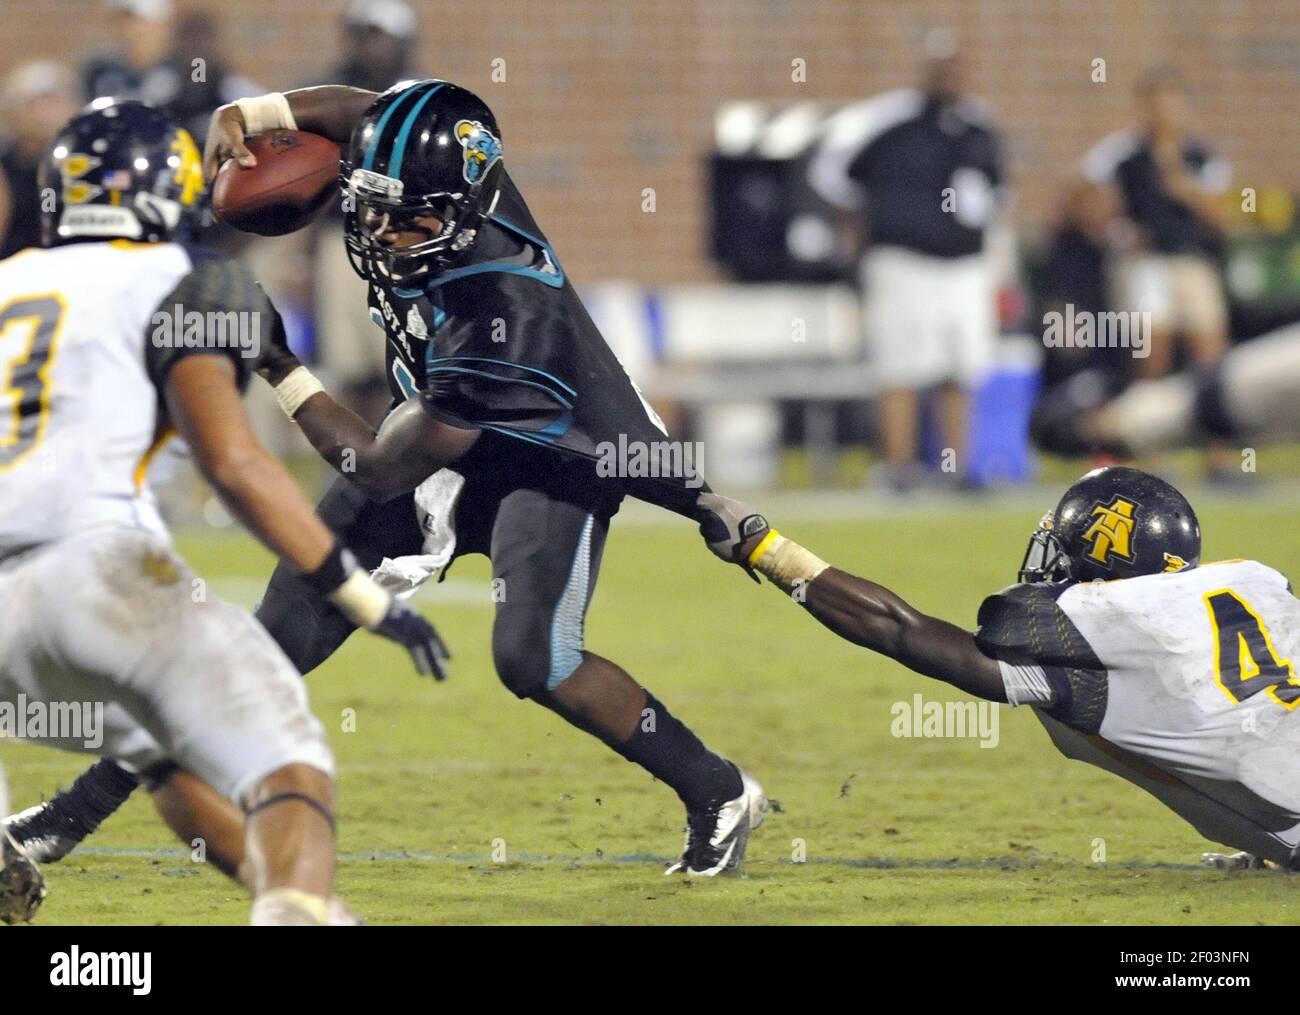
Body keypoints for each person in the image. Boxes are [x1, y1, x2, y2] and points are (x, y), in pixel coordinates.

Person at [6, 80, 769, 878]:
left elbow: (375, 461)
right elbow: (352, 109)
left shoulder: (502, 303)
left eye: (413, 219)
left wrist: (277, 362)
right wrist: (253, 116)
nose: (384, 230)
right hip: (431, 433)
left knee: (534, 656)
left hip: (542, 453)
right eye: (372, 206)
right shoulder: (424, 168)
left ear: (471, 210)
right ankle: (68, 816)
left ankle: (716, 789)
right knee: (265, 642)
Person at [0, 99, 446, 924]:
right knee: (289, 762)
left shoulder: (9, 282)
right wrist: (357, 593)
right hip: (90, 572)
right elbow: (234, 465)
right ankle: (296, 909)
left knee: (159, 752)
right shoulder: (190, 278)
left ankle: (296, 902)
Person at [722, 466, 1300, 869]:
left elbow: (902, 631)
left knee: (1068, 709)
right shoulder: (1254, 577)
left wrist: (769, 550)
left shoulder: (1100, 620)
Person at [808, 31, 1005, 492]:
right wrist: (868, 221)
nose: (950, 78)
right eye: (942, 69)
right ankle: (899, 468)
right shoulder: (888, 119)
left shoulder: (978, 125)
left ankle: (955, 471)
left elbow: (997, 191)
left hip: (963, 266)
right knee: (901, 368)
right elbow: (830, 172)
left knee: (961, 368)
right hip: (902, 261)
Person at [0, 62, 80, 258]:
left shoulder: (86, 165)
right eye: (33, 105)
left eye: (51, 103)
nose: (43, 115)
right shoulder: (6, 167)